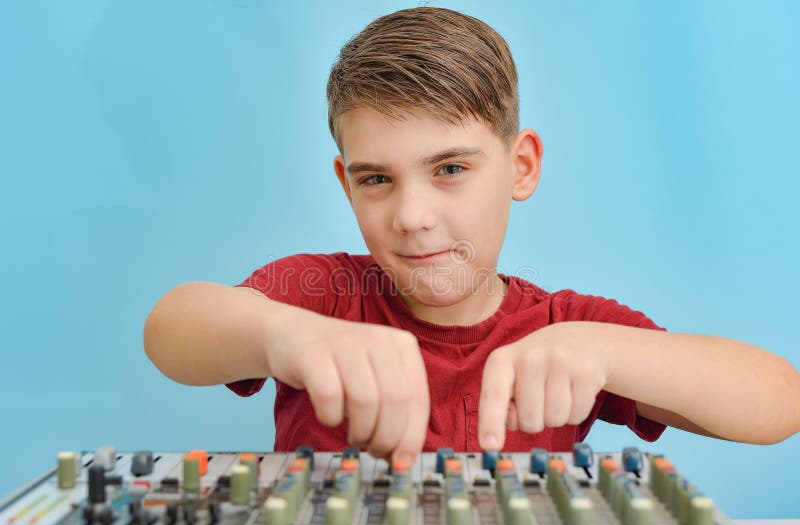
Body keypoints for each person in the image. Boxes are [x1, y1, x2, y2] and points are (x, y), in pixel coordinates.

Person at [143, 7, 800, 464]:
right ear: (346, 183)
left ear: (521, 168)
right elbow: (170, 331)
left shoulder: (566, 327)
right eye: (377, 180)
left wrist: (602, 350)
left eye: (450, 169)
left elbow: (780, 402)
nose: (412, 216)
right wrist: (283, 336)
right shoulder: (321, 292)